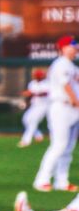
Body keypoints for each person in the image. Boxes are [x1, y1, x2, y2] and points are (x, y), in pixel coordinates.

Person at [36, 36, 79, 192]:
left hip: (72, 109)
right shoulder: (60, 64)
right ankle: (42, 180)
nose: (75, 48)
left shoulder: (71, 66)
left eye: (75, 45)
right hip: (61, 107)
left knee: (68, 148)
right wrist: (76, 101)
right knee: (59, 145)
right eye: (72, 46)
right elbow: (65, 86)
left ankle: (62, 181)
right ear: (63, 48)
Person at [24, 69, 53, 148]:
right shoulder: (32, 83)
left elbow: (45, 93)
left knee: (50, 124)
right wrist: (28, 96)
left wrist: (33, 93)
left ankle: (26, 140)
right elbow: (30, 94)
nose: (36, 77)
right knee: (26, 119)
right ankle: (38, 135)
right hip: (35, 105)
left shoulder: (47, 83)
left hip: (46, 105)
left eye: (38, 75)